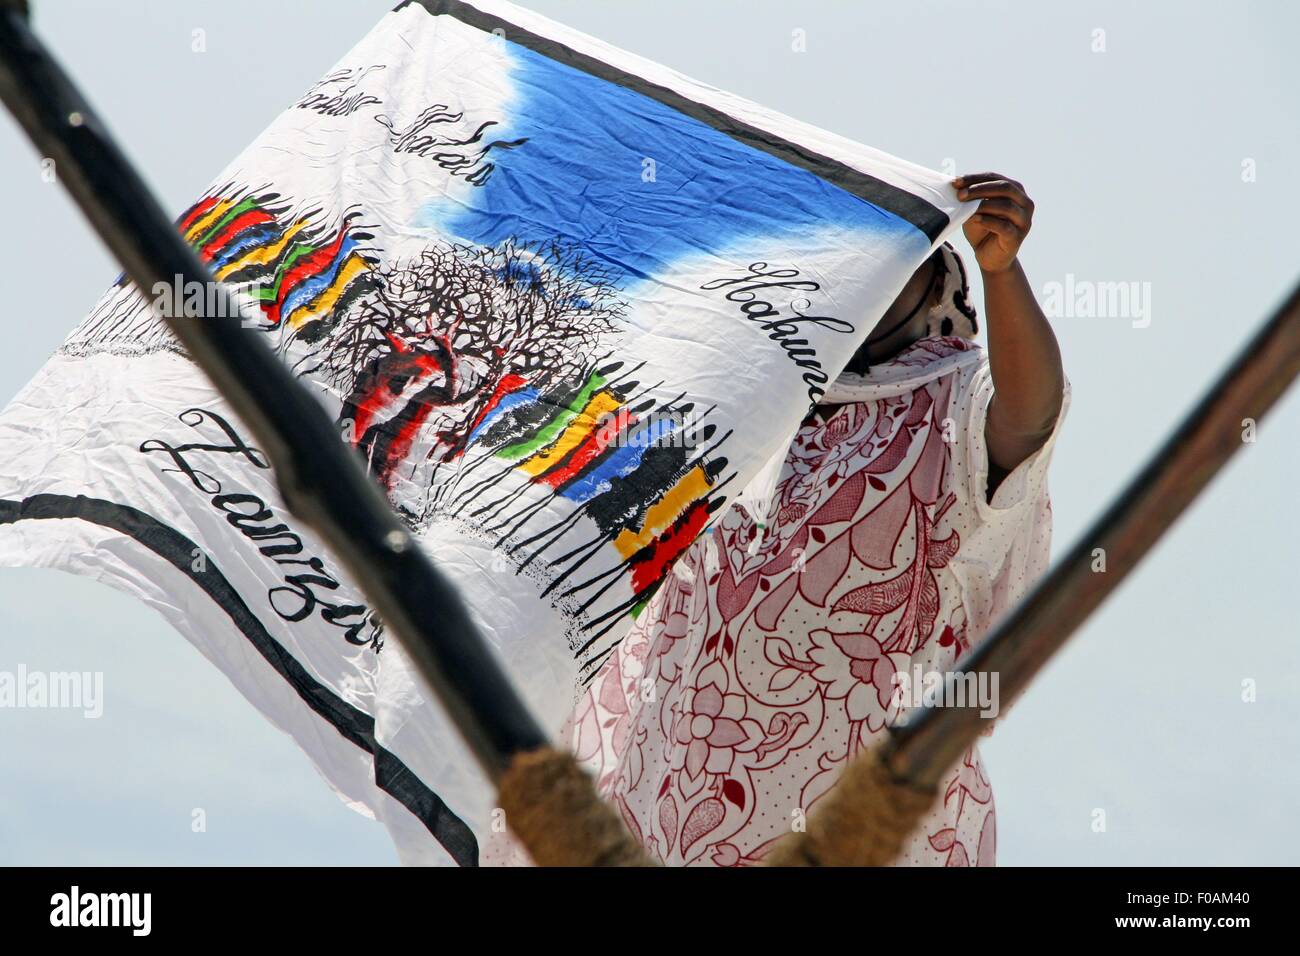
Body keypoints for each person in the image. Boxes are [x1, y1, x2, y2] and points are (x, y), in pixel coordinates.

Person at [490, 172, 1067, 867]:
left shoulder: (954, 404)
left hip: (853, 831)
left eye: (891, 267)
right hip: (657, 809)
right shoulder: (729, 394)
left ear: (934, 286)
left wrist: (1002, 271)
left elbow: (1029, 413)